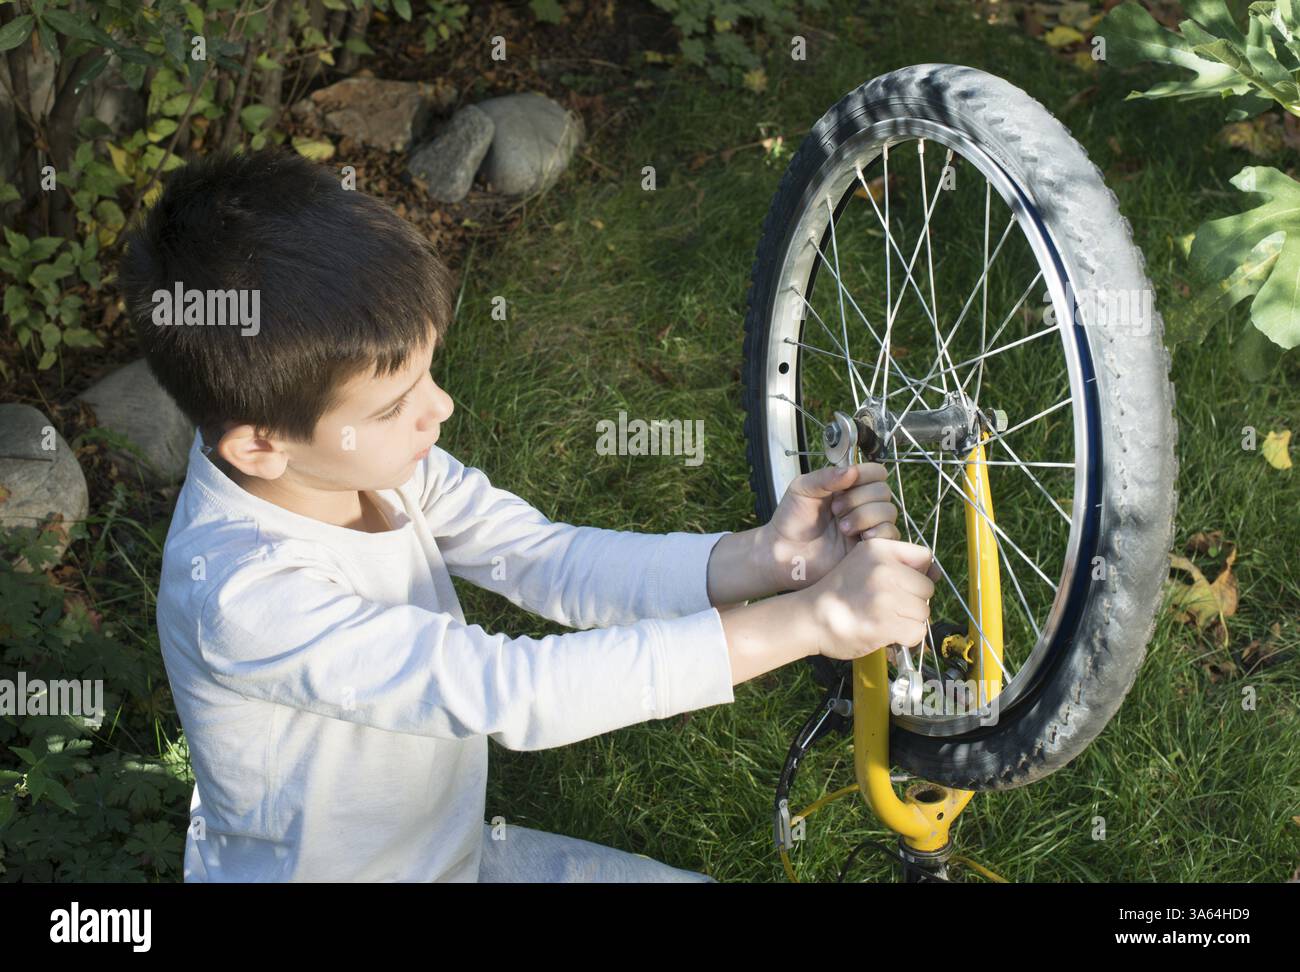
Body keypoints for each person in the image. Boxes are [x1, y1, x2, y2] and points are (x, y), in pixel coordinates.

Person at [120, 147, 938, 883]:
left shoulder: (352, 460)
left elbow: (545, 558)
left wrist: (768, 560)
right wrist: (811, 620)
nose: (439, 409)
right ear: (260, 447)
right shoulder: (243, 596)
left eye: (428, 374)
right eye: (395, 404)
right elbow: (514, 690)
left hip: (453, 859)